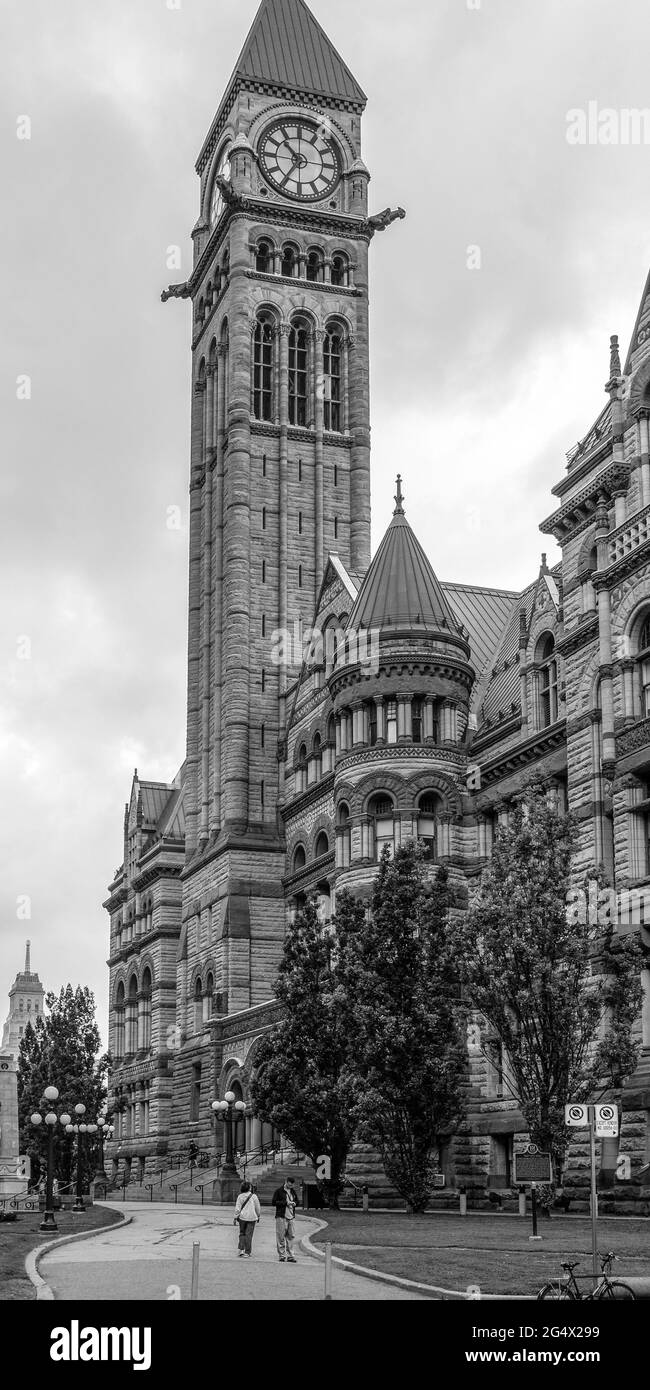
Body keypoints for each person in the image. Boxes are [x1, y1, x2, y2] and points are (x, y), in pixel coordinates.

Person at [272, 1178, 299, 1263]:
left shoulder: (293, 1191)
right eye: (290, 1184)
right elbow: (273, 1202)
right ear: (286, 1182)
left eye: (292, 1185)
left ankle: (291, 1256)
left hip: (291, 1217)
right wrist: (286, 1203)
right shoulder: (279, 1191)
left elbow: (297, 1201)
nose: (291, 1186)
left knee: (291, 1237)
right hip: (281, 1217)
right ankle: (282, 1256)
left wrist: (295, 1203)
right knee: (281, 1237)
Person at [233, 1181, 261, 1258]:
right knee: (249, 1235)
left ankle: (241, 1250)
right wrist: (258, 1215)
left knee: (242, 1233)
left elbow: (237, 1208)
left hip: (242, 1217)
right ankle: (247, 1252)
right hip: (252, 1218)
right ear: (249, 1188)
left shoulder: (240, 1196)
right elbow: (257, 1208)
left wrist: (235, 1217)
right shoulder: (254, 1196)